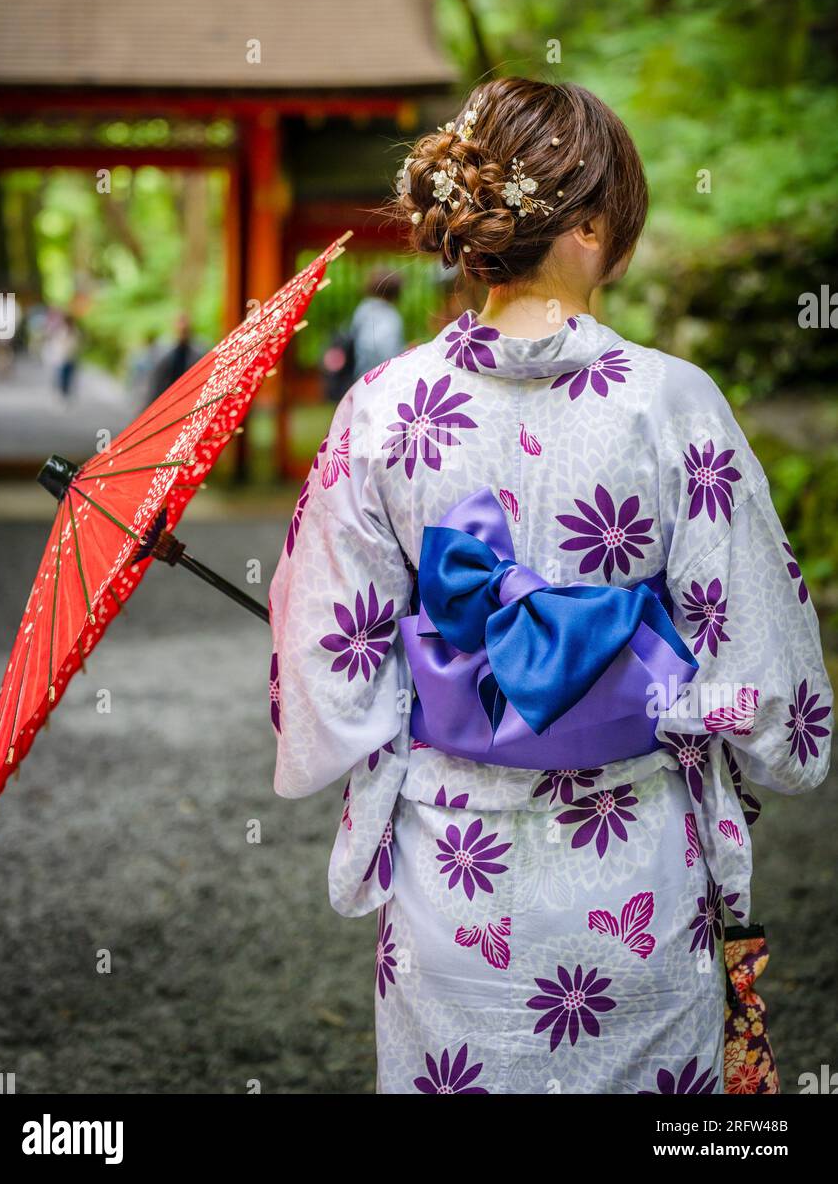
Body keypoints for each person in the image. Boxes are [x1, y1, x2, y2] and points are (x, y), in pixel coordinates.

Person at [267, 78, 833, 1095]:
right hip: (636, 885)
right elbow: (768, 689)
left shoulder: (382, 409)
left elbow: (328, 674)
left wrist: (436, 682)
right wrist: (686, 706)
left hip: (453, 884)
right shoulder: (671, 405)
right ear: (588, 227)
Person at [349, 269, 406, 380]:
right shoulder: (391, 315)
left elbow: (354, 335)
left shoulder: (363, 309)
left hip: (361, 372)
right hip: (383, 374)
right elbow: (390, 348)